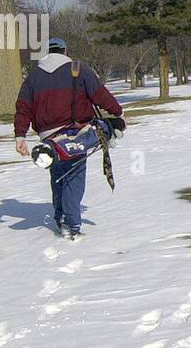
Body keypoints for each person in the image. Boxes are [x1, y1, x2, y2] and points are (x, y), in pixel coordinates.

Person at [14, 38, 125, 239]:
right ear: (65, 51)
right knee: (74, 176)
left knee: (58, 175)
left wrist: (20, 136)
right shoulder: (78, 69)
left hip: (48, 137)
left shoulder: (33, 77)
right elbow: (100, 94)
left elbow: (23, 108)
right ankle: (71, 224)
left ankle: (59, 215)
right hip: (75, 133)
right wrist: (118, 113)